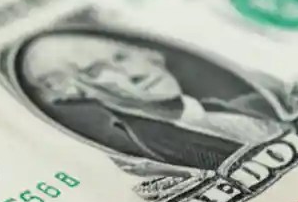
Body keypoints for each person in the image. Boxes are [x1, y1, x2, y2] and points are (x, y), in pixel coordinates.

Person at [21, 32, 283, 171]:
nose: (135, 73)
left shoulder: (253, 103)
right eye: (96, 71)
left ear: (149, 55)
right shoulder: (154, 151)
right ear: (72, 92)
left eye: (122, 57)